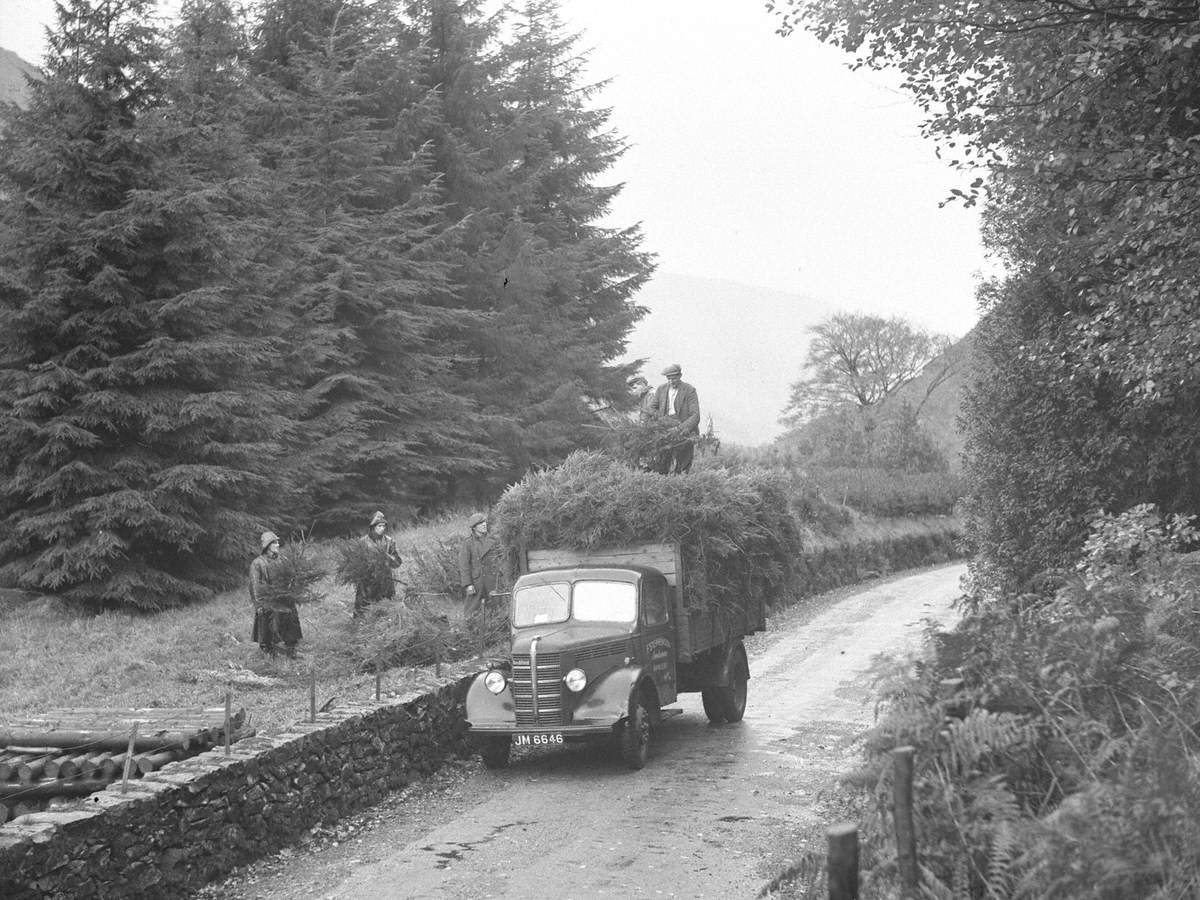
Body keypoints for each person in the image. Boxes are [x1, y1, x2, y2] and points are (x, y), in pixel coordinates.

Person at [249, 531, 302, 658]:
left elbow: (289, 577)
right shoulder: (257, 563)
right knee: (266, 626)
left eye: (278, 542)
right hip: (267, 601)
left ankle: (291, 649)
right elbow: (255, 585)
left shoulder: (282, 560)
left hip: (284, 598)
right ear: (268, 546)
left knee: (290, 620)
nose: (278, 545)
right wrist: (259, 604)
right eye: (275, 543)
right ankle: (268, 651)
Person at [653, 363, 701, 474]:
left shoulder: (689, 390)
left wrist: (680, 428)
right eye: (668, 378)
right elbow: (652, 408)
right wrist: (660, 421)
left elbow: (695, 415)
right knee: (662, 464)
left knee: (683, 466)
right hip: (665, 431)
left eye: (673, 378)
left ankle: (681, 484)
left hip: (684, 431)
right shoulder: (661, 389)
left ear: (680, 376)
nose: (671, 381)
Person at [354, 510, 402, 618]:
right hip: (367, 581)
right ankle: (360, 626)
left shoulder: (390, 541)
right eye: (379, 526)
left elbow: (398, 562)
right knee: (364, 608)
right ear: (373, 526)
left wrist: (387, 557)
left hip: (385, 579)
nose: (382, 528)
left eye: (384, 526)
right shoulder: (363, 542)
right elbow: (356, 563)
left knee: (387, 608)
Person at [458, 512, 502, 626]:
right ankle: (472, 632)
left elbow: (502, 559)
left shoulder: (494, 540)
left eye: (484, 522)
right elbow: (464, 565)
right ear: (474, 527)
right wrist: (468, 584)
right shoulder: (468, 544)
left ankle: (496, 629)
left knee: (496, 608)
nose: (484, 525)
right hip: (476, 582)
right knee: (471, 611)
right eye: (480, 523)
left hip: (493, 580)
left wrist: (501, 576)